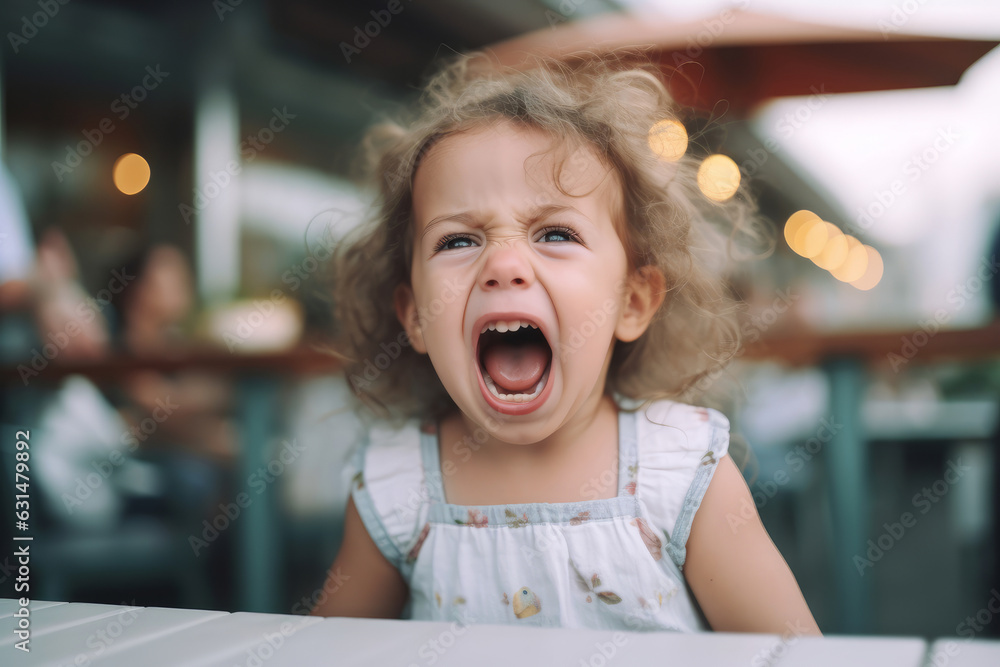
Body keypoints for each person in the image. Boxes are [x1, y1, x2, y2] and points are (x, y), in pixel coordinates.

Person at [311, 52, 821, 635]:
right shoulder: (398, 487)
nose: (503, 265)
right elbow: (329, 651)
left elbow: (794, 654)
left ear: (632, 302)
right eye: (458, 241)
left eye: (555, 233)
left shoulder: (679, 472)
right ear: (415, 318)